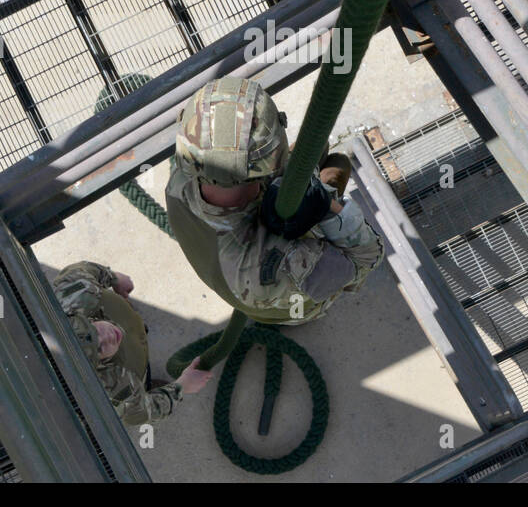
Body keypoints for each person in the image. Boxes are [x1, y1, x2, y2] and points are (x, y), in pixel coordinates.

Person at [164, 76, 384, 323]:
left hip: (232, 261)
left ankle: (312, 181)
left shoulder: (181, 180)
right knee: (339, 165)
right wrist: (325, 206)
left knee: (318, 150)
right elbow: (365, 260)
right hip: (288, 300)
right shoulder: (275, 267)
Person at [51, 260, 212, 426]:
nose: (108, 337)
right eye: (99, 348)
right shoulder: (109, 388)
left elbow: (82, 270)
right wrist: (182, 386)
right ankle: (146, 388)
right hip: (130, 368)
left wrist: (113, 278)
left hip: (125, 325)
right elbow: (144, 411)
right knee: (136, 396)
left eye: (94, 330)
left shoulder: (72, 296)